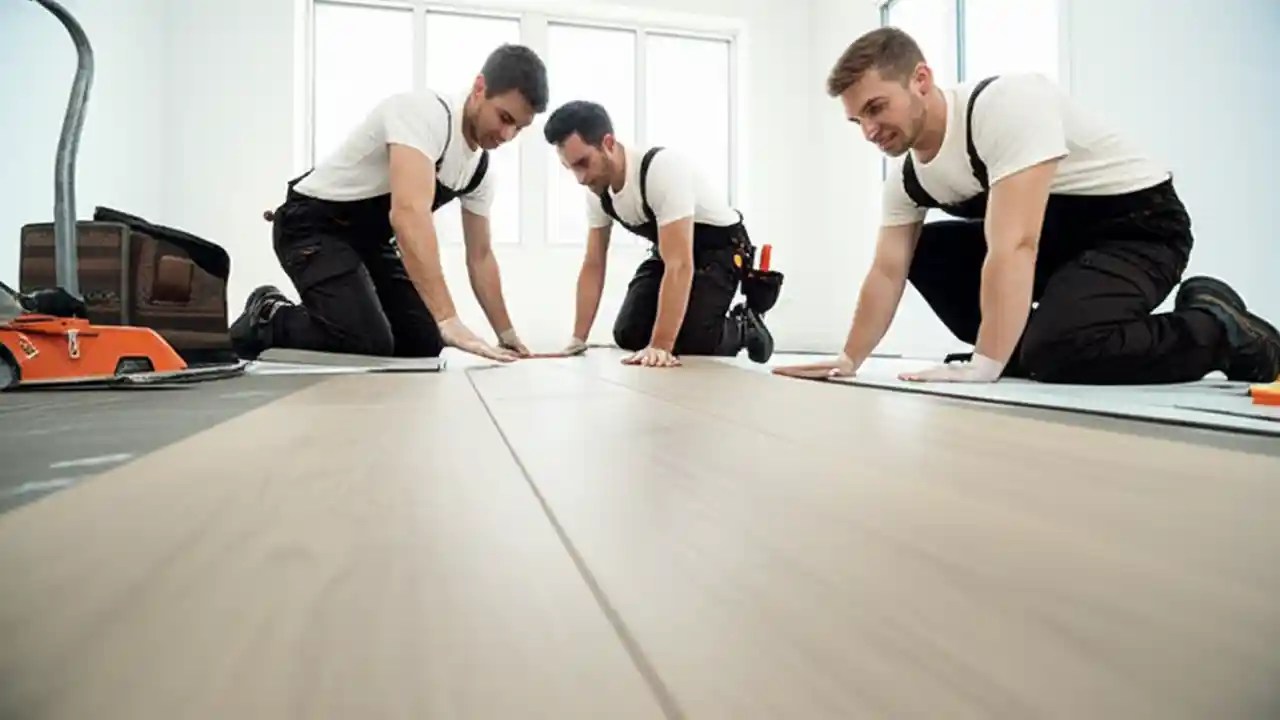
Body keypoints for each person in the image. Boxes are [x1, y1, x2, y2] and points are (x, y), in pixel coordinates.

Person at [775, 27, 1279, 385]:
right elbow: (888, 271)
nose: (868, 131)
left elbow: (1016, 243)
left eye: (875, 108)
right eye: (856, 120)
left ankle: (1221, 330)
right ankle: (1021, 351)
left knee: (1061, 351)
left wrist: (985, 363)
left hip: (1139, 230)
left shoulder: (1003, 106)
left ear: (921, 79)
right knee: (922, 250)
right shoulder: (907, 179)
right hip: (1060, 243)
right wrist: (849, 358)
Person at [229, 44, 549, 363]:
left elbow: (480, 257)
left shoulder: (479, 172)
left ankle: (336, 320)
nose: (507, 135)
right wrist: (449, 319)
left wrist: (506, 336)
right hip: (312, 226)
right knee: (367, 341)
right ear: (480, 88)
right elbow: (409, 215)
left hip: (369, 241)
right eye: (504, 118)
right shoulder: (426, 114)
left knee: (423, 341)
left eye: (519, 128)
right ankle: (268, 315)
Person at [542, 100, 780, 368]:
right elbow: (594, 264)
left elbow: (680, 264)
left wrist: (661, 347)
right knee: (628, 334)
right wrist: (578, 339)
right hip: (670, 250)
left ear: (608, 143)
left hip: (720, 250)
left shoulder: (660, 169)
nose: (580, 178)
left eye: (583, 163)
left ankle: (742, 325)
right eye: (571, 168)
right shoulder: (598, 192)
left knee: (690, 342)